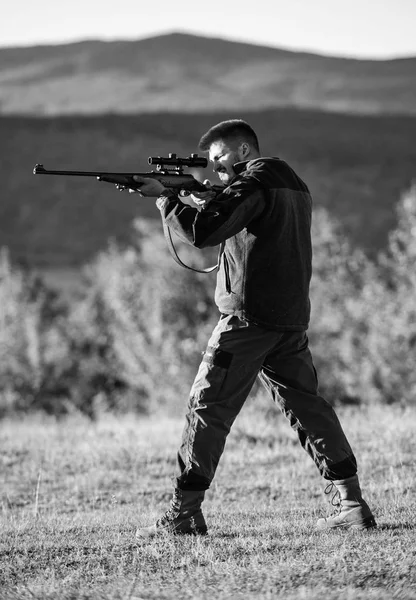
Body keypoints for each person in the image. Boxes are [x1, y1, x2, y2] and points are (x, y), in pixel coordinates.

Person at [131, 119, 376, 537]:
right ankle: (351, 503)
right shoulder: (289, 180)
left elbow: (204, 232)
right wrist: (199, 196)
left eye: (221, 161)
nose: (218, 172)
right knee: (309, 409)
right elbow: (241, 220)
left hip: (248, 319)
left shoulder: (254, 182)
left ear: (244, 152)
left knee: (206, 408)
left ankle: (185, 512)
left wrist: (167, 201)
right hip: (289, 316)